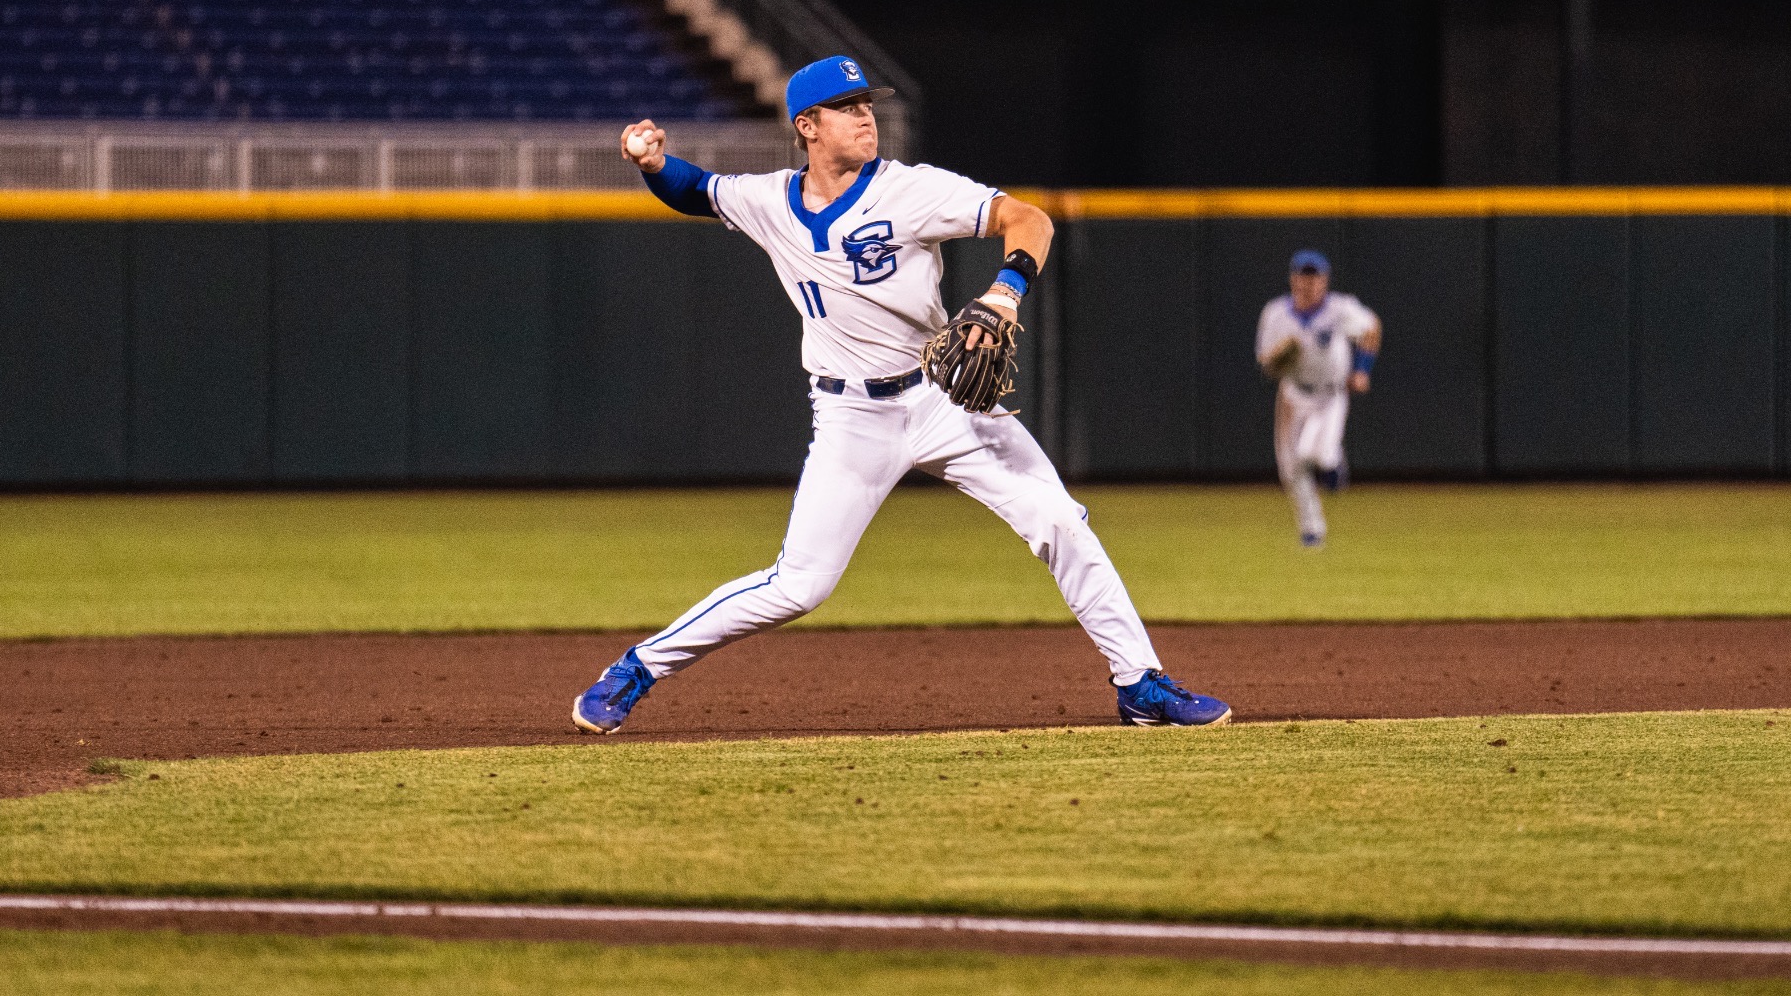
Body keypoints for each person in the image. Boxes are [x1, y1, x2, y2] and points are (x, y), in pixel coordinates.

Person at [572, 55, 1231, 734]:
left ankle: (1139, 683)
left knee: (1060, 521)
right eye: (848, 107)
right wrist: (653, 163)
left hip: (944, 398)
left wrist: (1005, 292)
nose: (867, 116)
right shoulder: (770, 201)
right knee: (800, 585)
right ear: (807, 126)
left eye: (868, 104)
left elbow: (1030, 219)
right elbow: (698, 190)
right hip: (851, 416)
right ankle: (636, 668)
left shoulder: (912, 190)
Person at [1255, 250, 1382, 549]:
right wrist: (1276, 359)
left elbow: (1372, 328)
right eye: (1303, 276)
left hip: (1330, 394)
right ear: (1293, 279)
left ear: (1324, 281)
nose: (1308, 283)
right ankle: (1312, 530)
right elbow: (1266, 362)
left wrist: (1362, 371)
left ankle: (1333, 463)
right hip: (1293, 394)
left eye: (1314, 277)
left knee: (1314, 454)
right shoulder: (1275, 313)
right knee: (1291, 468)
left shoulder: (1340, 309)